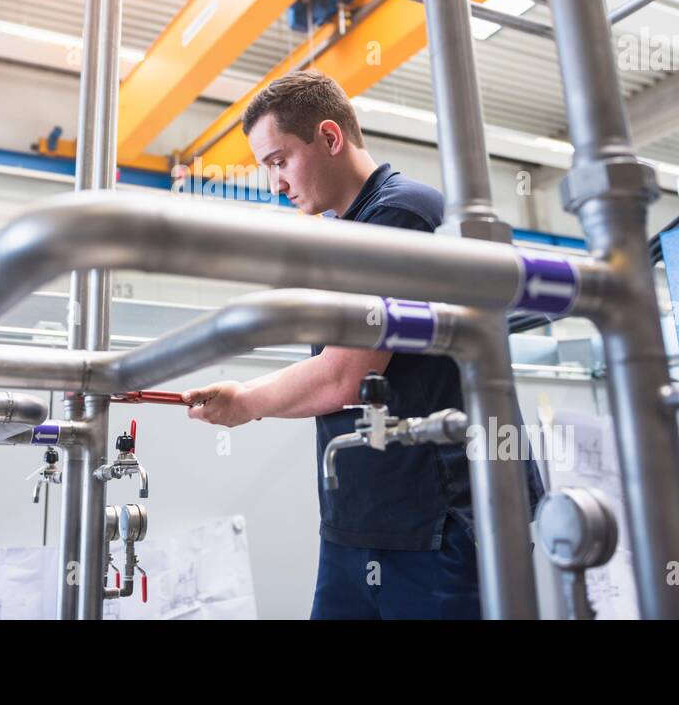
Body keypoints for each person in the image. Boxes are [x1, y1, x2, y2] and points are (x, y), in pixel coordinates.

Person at [180, 69, 544, 619]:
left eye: (279, 161)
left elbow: (342, 377)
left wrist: (245, 402)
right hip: (363, 524)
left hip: (439, 524)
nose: (275, 183)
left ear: (329, 137)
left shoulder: (401, 215)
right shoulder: (346, 236)